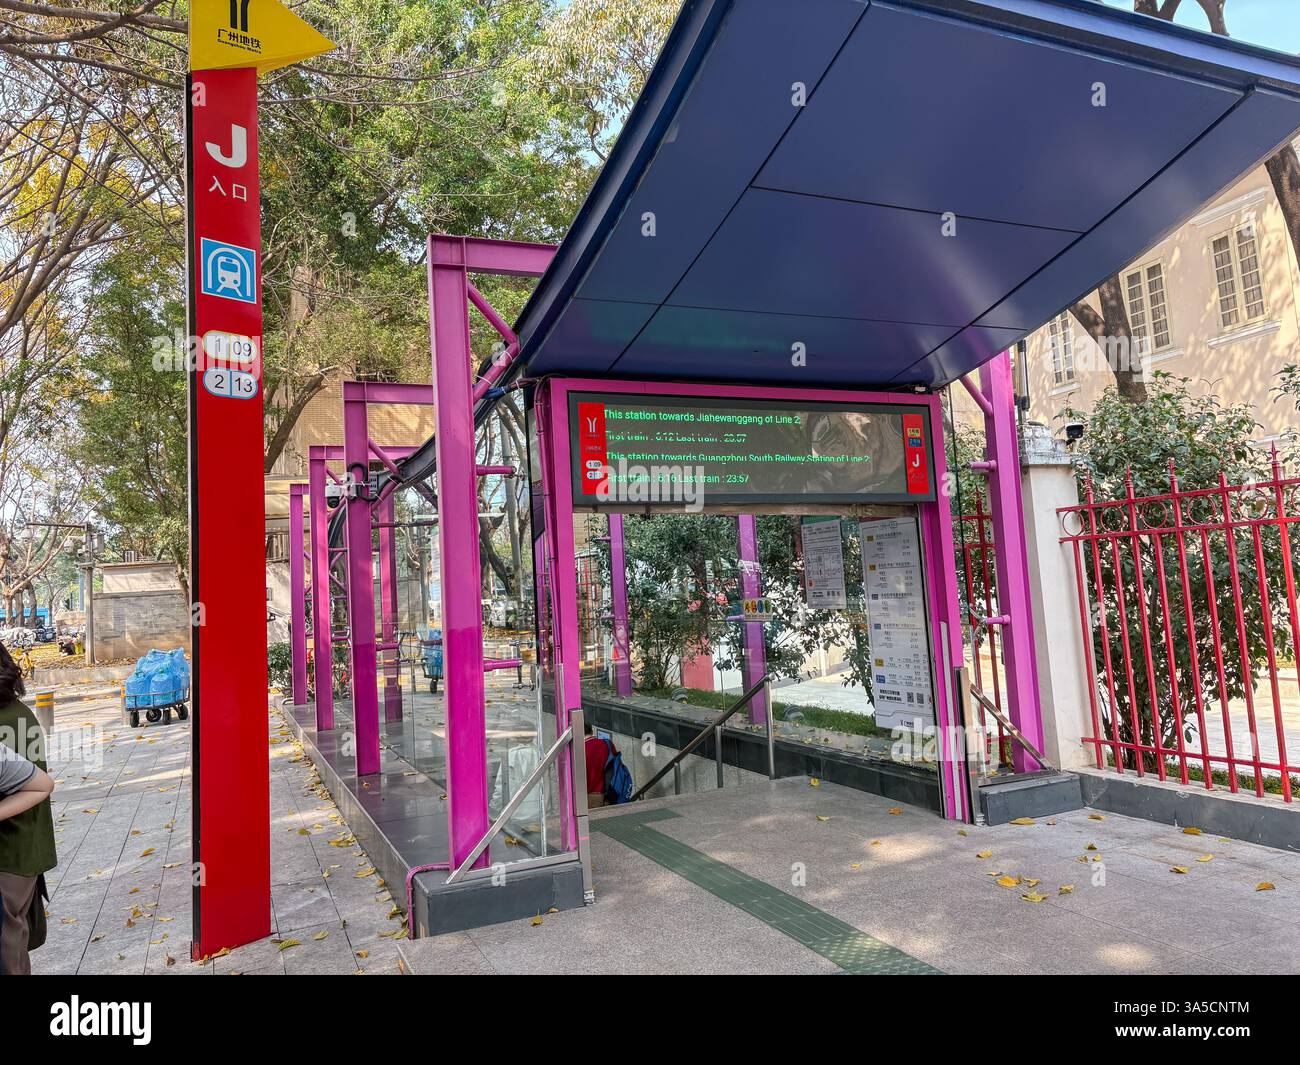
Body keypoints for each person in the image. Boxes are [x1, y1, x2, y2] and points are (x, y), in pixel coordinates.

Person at [0, 642, 56, 975]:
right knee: (13, 943)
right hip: (25, 845)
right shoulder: (19, 711)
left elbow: (36, 784)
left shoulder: (9, 718)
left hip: (11, 849)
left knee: (7, 949)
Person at [584, 723, 614, 809]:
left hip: (587, 795)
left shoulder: (579, 750)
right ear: (592, 731)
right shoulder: (607, 744)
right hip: (607, 793)